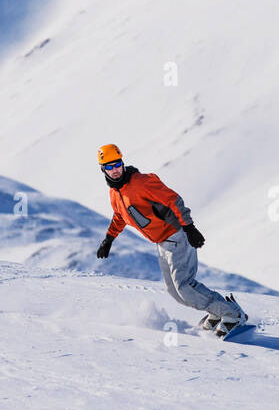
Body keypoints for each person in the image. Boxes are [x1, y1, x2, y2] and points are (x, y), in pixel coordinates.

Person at [94, 143, 249, 335]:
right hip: (162, 243)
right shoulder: (115, 193)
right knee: (174, 291)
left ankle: (232, 314)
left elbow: (173, 200)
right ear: (103, 170)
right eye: (109, 167)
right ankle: (217, 311)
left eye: (117, 164)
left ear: (122, 162)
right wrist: (108, 239)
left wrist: (189, 227)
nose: (115, 169)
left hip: (176, 235)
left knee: (184, 286)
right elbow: (119, 216)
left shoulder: (141, 183)